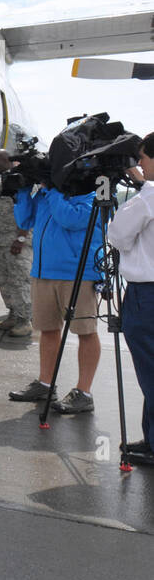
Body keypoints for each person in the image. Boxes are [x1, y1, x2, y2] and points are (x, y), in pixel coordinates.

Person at [7, 179, 103, 413]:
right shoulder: (46, 194)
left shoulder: (92, 196)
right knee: (48, 329)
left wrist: (51, 190)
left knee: (85, 331)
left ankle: (84, 392)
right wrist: (20, 190)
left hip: (78, 273)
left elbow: (70, 219)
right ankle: (45, 384)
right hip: (43, 271)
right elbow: (24, 220)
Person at [108, 134, 154, 463]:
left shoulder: (147, 198)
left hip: (146, 295)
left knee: (150, 372)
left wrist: (140, 189)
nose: (139, 164)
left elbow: (117, 235)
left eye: (143, 158)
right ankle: (151, 439)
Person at [0, 150, 33, 337]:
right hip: (2, 241)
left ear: (5, 161)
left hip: (16, 242)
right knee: (6, 282)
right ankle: (13, 315)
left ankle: (25, 321)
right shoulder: (0, 183)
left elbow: (29, 211)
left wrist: (21, 238)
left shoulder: (22, 182)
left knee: (20, 281)